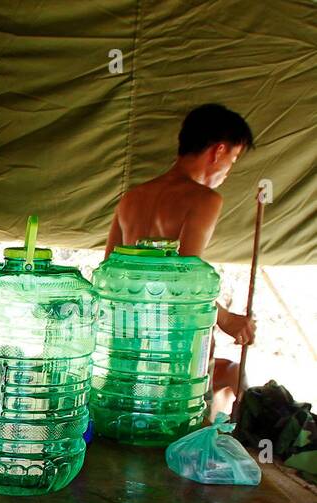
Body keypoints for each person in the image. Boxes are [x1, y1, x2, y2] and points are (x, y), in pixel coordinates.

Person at [104, 103, 257, 414]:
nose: (228, 170)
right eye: (233, 160)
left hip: (126, 339)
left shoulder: (132, 197)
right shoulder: (205, 199)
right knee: (202, 400)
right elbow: (185, 282)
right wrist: (227, 319)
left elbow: (108, 269)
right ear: (218, 151)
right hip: (170, 342)